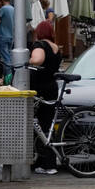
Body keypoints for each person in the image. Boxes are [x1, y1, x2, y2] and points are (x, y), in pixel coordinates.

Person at [28, 22, 63, 174]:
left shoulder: (40, 44)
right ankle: (49, 163)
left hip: (39, 87)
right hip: (52, 87)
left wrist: (26, 60)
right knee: (46, 125)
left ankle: (40, 162)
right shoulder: (55, 47)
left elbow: (37, 60)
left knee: (34, 124)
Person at [0, 0, 14, 84]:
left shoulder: (3, 9)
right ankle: (7, 79)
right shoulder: (13, 9)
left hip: (3, 35)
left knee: (6, 59)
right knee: (8, 56)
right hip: (11, 36)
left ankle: (7, 80)